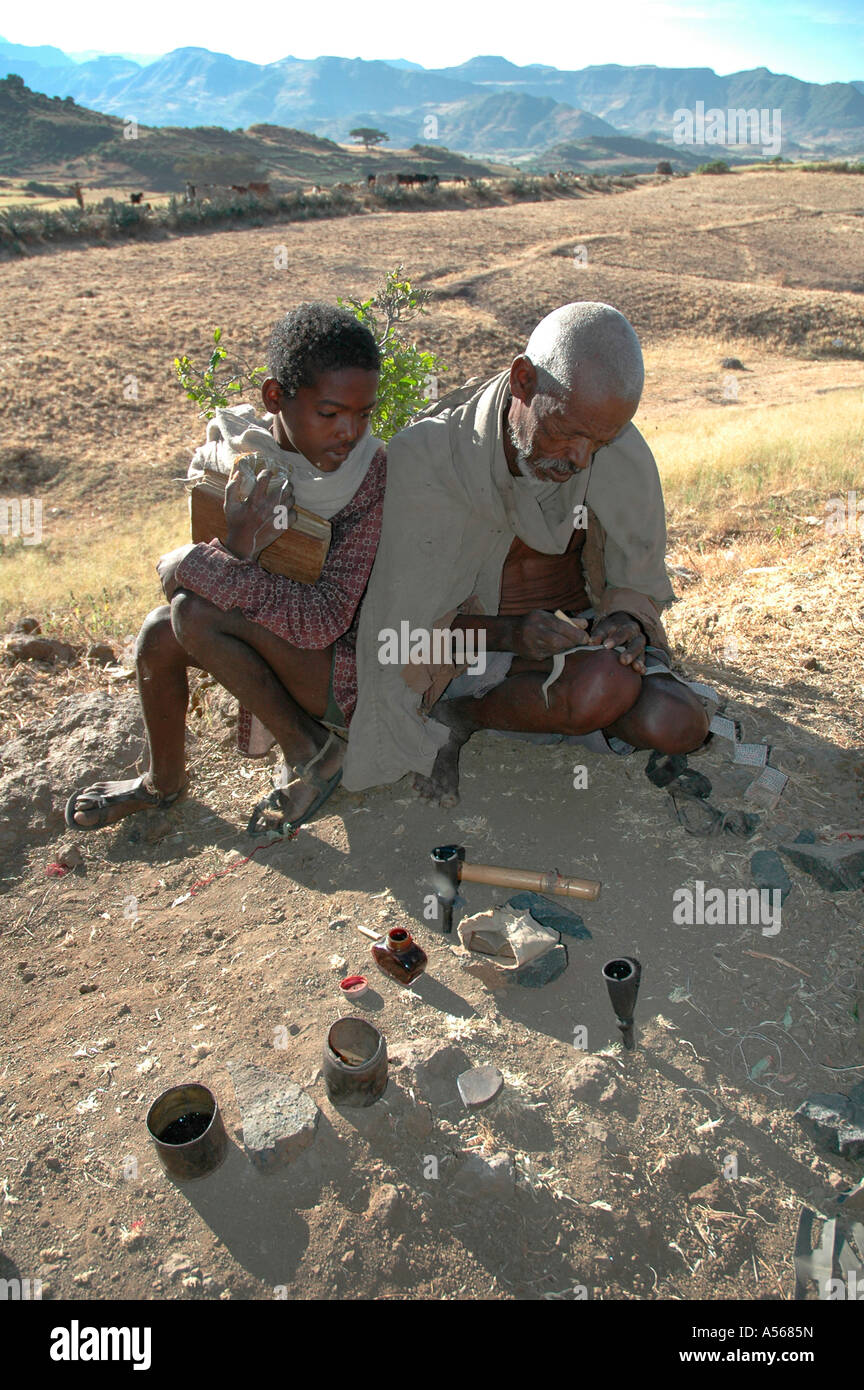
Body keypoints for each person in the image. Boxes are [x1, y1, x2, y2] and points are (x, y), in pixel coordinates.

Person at [342, 301, 710, 805]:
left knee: (679, 721)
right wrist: (513, 633)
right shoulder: (430, 457)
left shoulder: (612, 447)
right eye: (566, 431)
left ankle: (554, 709)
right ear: (522, 381)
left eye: (599, 442)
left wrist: (625, 621)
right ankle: (461, 719)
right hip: (468, 655)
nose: (580, 459)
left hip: (576, 646)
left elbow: (633, 578)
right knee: (600, 688)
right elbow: (399, 633)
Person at [65, 302, 385, 834]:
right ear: (275, 397)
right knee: (158, 633)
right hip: (279, 642)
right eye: (330, 414)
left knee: (192, 610)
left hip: (345, 672)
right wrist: (235, 543)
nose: (349, 431)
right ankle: (162, 783)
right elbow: (228, 574)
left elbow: (324, 618)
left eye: (363, 413)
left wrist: (196, 562)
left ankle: (314, 751)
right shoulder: (242, 456)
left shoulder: (368, 477)